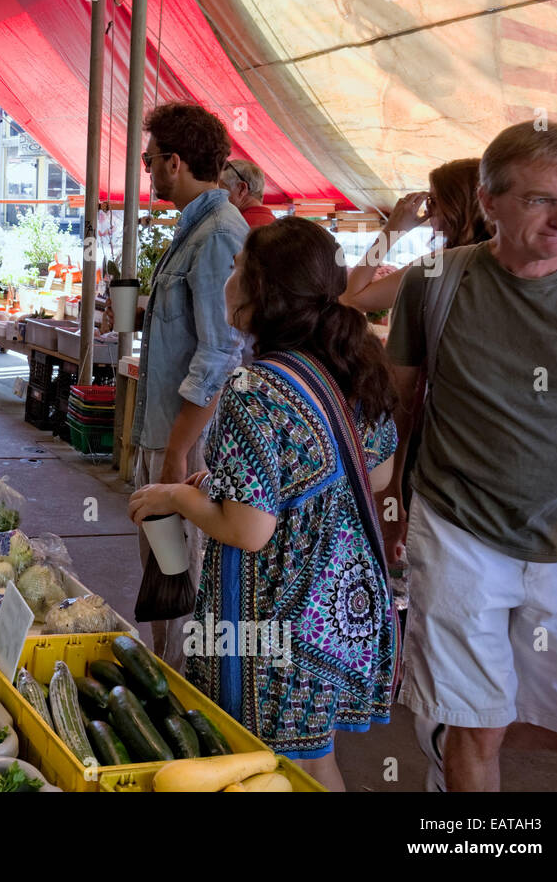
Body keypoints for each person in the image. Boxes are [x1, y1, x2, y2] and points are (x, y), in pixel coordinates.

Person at [129, 216, 399, 791]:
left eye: (235, 268)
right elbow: (375, 476)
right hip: (343, 609)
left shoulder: (255, 388)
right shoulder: (354, 365)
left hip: (282, 619)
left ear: (259, 292)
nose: (228, 278)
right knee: (310, 760)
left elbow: (248, 530)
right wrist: (230, 482)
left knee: (264, 764)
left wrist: (175, 493)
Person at [385, 122, 557, 793]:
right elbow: (403, 406)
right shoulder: (436, 282)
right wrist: (393, 505)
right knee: (479, 727)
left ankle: (453, 727)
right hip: (457, 529)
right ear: (489, 201)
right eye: (540, 200)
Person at [129, 101, 249, 671]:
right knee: (165, 555)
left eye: (151, 159)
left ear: (174, 162)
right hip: (170, 432)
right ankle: (166, 667)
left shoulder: (219, 235)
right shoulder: (196, 228)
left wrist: (177, 448)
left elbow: (221, 351)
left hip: (191, 438)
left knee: (183, 566)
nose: (147, 170)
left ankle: (182, 685)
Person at [341, 158, 492, 314]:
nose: (428, 209)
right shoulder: (500, 257)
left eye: (432, 200)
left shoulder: (441, 264)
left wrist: (392, 230)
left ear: (455, 205)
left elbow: (351, 300)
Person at [219, 159, 275, 229]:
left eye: (222, 189)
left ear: (242, 189)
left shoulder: (233, 226)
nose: (218, 195)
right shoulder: (276, 224)